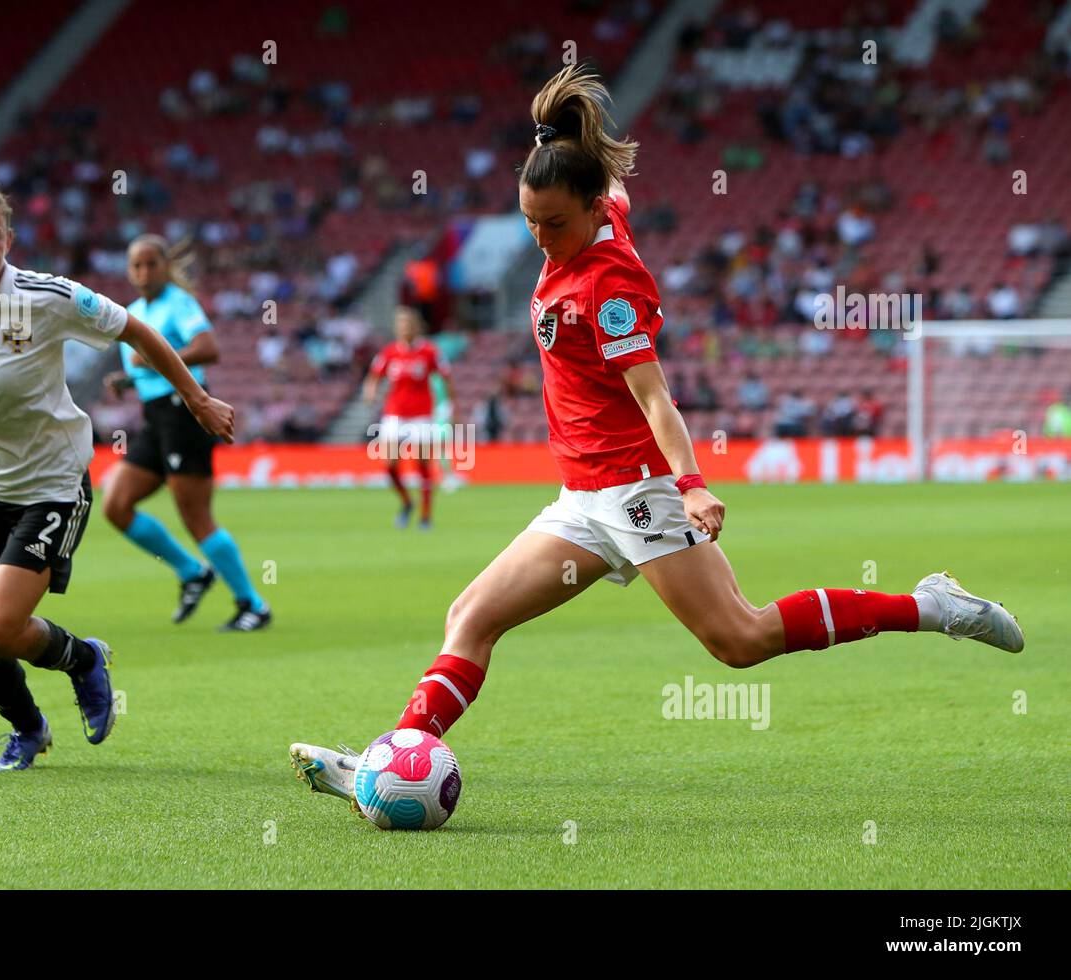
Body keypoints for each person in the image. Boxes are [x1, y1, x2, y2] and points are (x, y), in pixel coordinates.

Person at [288, 67, 1023, 807]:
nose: (541, 238)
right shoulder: (596, 209)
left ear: (588, 211)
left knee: (741, 640)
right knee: (471, 617)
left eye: (554, 223)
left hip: (639, 488)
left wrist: (691, 483)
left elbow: (655, 395)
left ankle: (933, 607)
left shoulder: (606, 291)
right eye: (529, 220)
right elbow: (609, 187)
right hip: (584, 495)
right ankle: (389, 759)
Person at [0, 149, 234, 772]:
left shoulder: (46, 296)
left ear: (9, 238)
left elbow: (135, 331)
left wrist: (197, 399)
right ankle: (29, 730)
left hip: (53, 483)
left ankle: (84, 659)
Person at [101, 235, 271, 631]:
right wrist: (129, 381)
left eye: (151, 264)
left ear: (165, 266)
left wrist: (153, 361)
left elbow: (209, 348)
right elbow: (148, 367)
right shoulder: (133, 311)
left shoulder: (178, 303)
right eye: (136, 266)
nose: (144, 272)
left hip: (186, 414)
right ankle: (192, 571)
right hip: (155, 418)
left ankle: (253, 604)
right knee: (116, 505)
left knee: (196, 517)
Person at [363, 306, 456, 529]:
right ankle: (406, 502)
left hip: (422, 415)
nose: (403, 328)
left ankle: (425, 517)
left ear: (416, 326)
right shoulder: (389, 353)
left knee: (422, 465)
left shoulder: (429, 352)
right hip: (395, 414)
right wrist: (370, 392)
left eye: (407, 323)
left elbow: (446, 378)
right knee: (389, 465)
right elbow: (374, 377)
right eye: (400, 324)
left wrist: (450, 405)